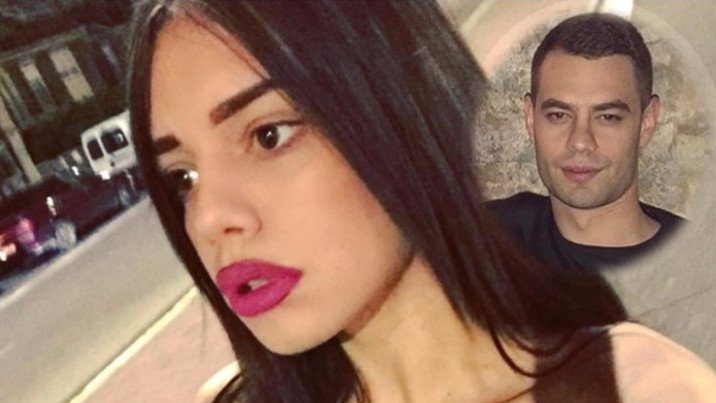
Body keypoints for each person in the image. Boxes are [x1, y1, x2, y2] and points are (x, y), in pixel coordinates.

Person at [127, 2, 716, 402]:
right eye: (182, 177)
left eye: (268, 135)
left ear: (398, 106)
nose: (209, 217)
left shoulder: (637, 390)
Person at [487, 13, 685, 271]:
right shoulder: (478, 239)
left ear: (646, 123)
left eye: (608, 117)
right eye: (558, 115)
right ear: (530, 119)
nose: (580, 142)